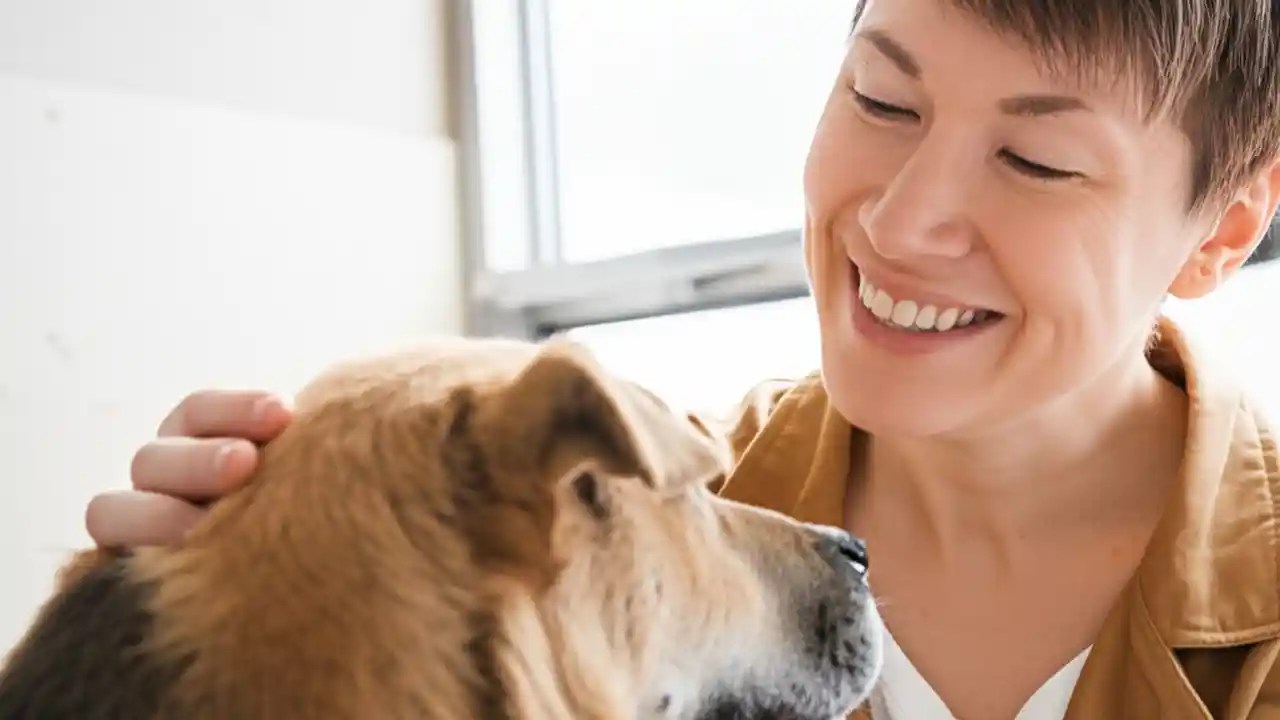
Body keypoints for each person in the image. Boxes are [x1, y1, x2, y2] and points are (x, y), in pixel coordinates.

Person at [81, 0, 1280, 717]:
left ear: (1220, 229)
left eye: (1033, 163)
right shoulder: (568, 531)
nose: (898, 223)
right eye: (880, 99)